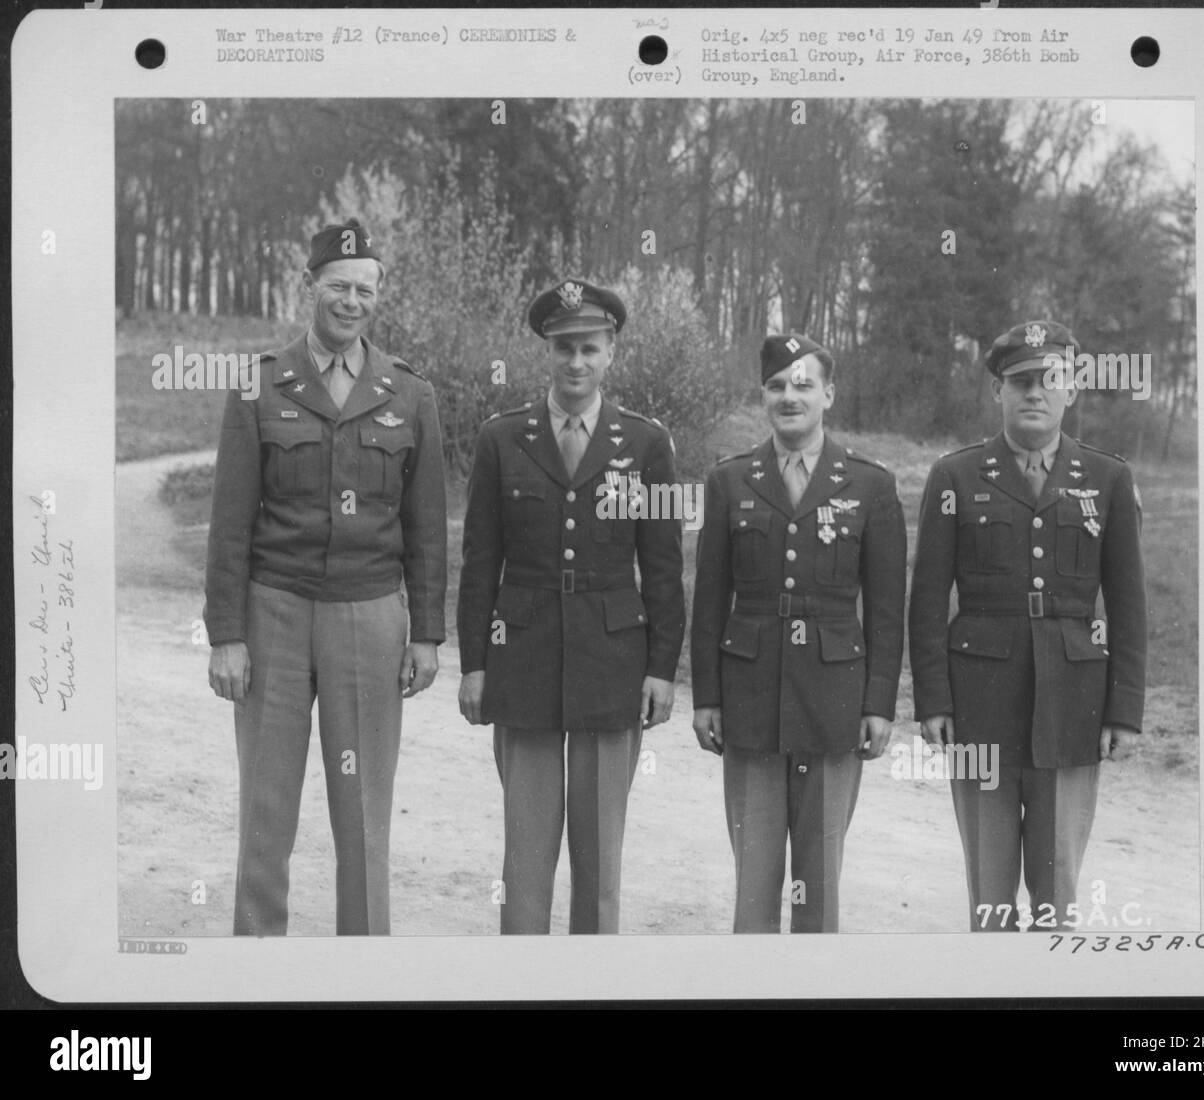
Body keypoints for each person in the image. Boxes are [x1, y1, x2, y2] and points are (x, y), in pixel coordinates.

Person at [204, 218, 447, 935]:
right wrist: (226, 636)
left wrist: (426, 634)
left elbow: (427, 531)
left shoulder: (410, 395)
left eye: (364, 289)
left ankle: (361, 970)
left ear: (378, 295)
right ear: (309, 286)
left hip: (369, 618)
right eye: (338, 286)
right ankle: (256, 965)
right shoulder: (259, 387)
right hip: (273, 612)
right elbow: (229, 525)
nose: (351, 302)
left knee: (365, 811)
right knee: (266, 808)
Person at [456, 278, 685, 934]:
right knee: (525, 855)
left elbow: (664, 568)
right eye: (563, 349)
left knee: (598, 857)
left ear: (612, 350)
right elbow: (480, 563)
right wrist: (475, 663)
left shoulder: (646, 445)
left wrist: (662, 669)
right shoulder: (503, 439)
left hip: (612, 661)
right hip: (522, 659)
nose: (576, 363)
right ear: (546, 353)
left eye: (589, 348)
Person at [908, 320, 1147, 932]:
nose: (1035, 392)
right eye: (1020, 382)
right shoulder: (956, 477)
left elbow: (1127, 605)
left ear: (1072, 390)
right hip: (979, 704)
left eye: (1051, 380)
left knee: (1057, 896)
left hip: (1073, 705)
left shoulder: (1107, 478)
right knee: (989, 899)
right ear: (998, 392)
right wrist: (933, 698)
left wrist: (1124, 710)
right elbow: (929, 600)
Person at [691, 333, 907, 933]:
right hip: (750, 700)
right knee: (754, 885)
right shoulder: (729, 481)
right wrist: (707, 697)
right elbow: (708, 602)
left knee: (820, 885)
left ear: (828, 394)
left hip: (834, 701)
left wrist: (878, 705)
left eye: (803, 384)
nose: (790, 397)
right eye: (778, 385)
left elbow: (887, 611)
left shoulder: (869, 484)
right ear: (764, 395)